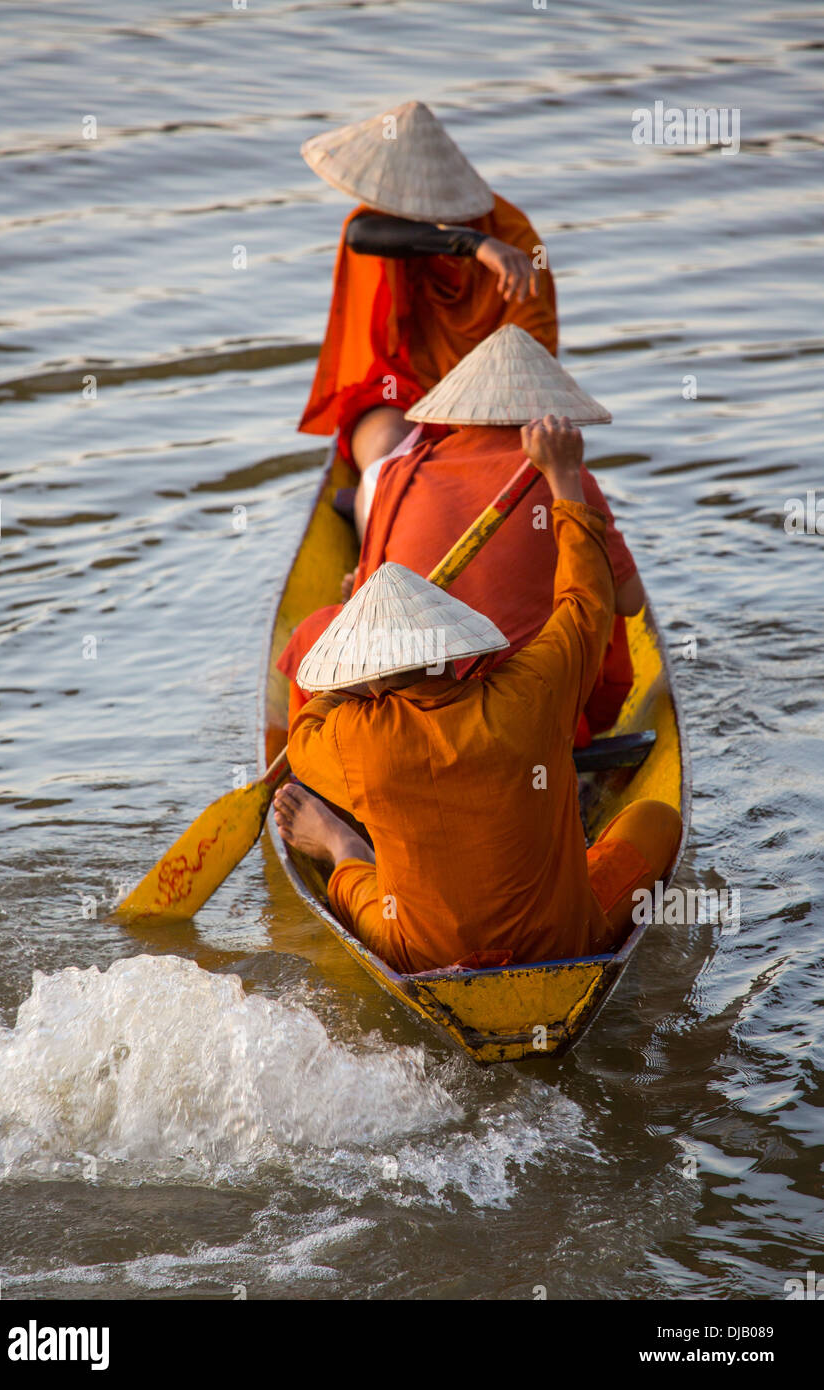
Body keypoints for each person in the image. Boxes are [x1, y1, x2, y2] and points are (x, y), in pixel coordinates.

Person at [272, 415, 681, 974]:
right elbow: (587, 603)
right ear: (456, 644)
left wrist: (350, 670)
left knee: (354, 873)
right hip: (566, 940)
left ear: (371, 680)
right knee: (657, 820)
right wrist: (564, 479)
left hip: (418, 952)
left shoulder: (351, 740)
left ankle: (345, 851)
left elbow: (305, 736)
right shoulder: (534, 688)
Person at [279, 326, 645, 742]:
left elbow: (374, 602)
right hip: (533, 706)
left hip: (413, 702)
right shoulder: (566, 477)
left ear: (454, 415)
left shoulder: (400, 472)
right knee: (596, 586)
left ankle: (312, 767)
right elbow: (630, 600)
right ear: (545, 419)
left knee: (316, 630)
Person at [298, 100, 558, 521]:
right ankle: (370, 569)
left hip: (488, 403)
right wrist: (473, 245)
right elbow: (361, 235)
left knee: (467, 488)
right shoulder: (383, 225)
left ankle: (370, 513)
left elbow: (534, 364)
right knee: (385, 465)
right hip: (402, 387)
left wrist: (479, 428)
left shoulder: (518, 240)